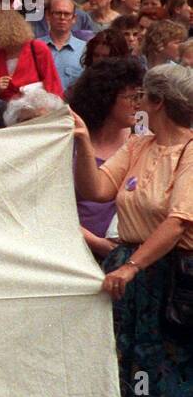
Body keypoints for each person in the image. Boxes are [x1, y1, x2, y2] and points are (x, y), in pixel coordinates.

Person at [66, 64, 193, 397]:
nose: (137, 102)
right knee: (109, 381)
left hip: (167, 280)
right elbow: (96, 189)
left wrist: (131, 265)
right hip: (129, 274)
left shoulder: (190, 151)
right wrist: (81, 141)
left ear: (158, 102)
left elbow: (179, 221)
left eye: (143, 96)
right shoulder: (138, 146)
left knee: (162, 390)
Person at [66, 57, 144, 261]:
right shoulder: (71, 142)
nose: (138, 105)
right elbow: (52, 208)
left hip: (130, 257)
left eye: (141, 97)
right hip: (74, 253)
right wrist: (97, 243)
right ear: (106, 98)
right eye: (132, 97)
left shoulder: (143, 140)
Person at [0, 8, 64, 102]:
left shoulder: (37, 48)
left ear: (2, 31)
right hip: (6, 113)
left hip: (39, 110)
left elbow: (52, 84)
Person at [38, 0, 89, 92]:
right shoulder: (34, 47)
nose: (62, 17)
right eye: (57, 13)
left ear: (74, 18)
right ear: (48, 16)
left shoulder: (85, 49)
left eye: (67, 14)